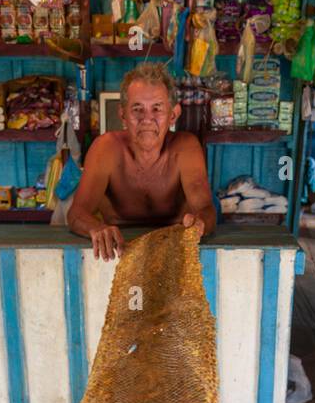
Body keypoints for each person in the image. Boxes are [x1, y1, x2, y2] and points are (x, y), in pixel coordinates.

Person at [68, 63, 216, 261]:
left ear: (173, 115)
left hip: (171, 256)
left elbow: (206, 208)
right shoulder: (106, 149)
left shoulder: (185, 148)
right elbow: (77, 213)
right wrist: (96, 228)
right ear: (123, 115)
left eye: (157, 109)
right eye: (137, 109)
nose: (147, 119)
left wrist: (199, 224)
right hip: (118, 255)